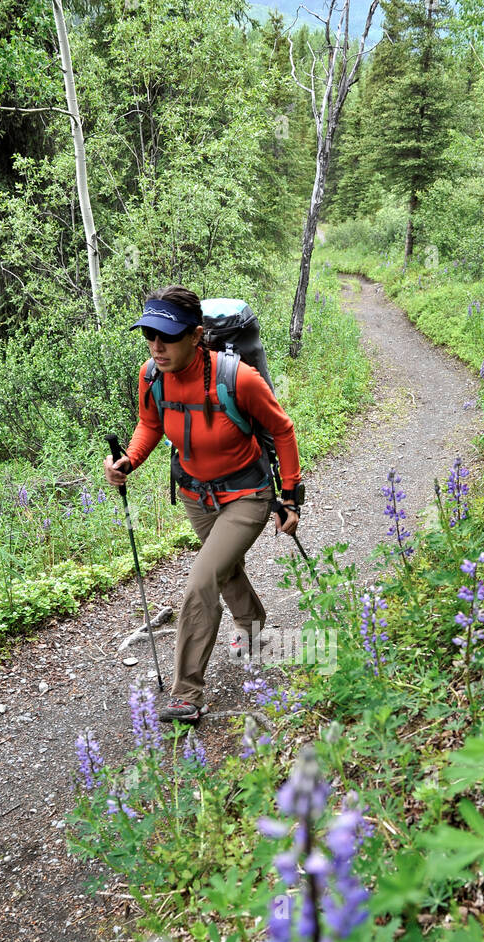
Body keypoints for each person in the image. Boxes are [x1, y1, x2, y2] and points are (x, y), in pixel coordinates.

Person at [104, 285, 302, 724]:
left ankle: (187, 692)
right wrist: (129, 460)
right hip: (196, 496)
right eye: (149, 335)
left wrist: (291, 496)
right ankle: (252, 625)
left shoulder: (239, 378)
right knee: (223, 568)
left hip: (247, 495)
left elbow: (282, 430)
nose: (157, 346)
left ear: (196, 335)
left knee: (201, 580)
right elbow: (150, 424)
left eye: (167, 336)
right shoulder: (151, 377)